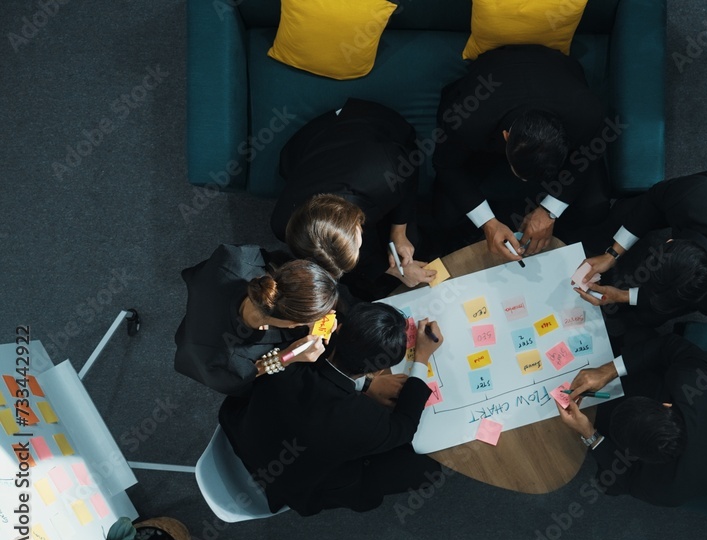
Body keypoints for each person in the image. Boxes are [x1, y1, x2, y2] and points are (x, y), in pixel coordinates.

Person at [219, 303, 444, 516]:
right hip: (286, 485)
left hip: (240, 431)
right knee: (428, 470)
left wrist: (365, 384)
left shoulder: (290, 362)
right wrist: (421, 358)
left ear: (340, 328)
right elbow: (404, 427)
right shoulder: (364, 420)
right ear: (378, 370)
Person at [556, 332, 707, 507]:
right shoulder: (691, 380)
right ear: (666, 405)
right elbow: (669, 346)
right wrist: (609, 370)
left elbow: (625, 479)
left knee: (609, 481)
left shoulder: (666, 488)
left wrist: (590, 434)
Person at [432, 44, 610, 261]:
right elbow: (445, 164)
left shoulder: (588, 115)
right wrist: (488, 222)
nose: (524, 182)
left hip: (555, 69)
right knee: (444, 212)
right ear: (506, 136)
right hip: (493, 77)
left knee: (595, 206)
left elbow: (587, 157)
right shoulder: (467, 120)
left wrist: (550, 211)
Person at [574, 160, 707, 327]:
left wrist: (622, 296)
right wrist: (612, 254)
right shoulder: (693, 197)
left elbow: (678, 301)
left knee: (651, 315)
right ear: (669, 240)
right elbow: (654, 199)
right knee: (632, 210)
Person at [271, 98, 434, 300]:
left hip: (368, 126)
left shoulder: (386, 172)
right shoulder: (282, 224)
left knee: (412, 240)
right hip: (312, 152)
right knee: (360, 275)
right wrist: (392, 270)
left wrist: (398, 232)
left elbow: (410, 169)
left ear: (358, 222)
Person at [174, 244, 337, 397]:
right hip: (203, 350)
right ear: (293, 324)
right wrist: (286, 357)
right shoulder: (229, 360)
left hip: (209, 291)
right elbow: (241, 378)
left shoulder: (236, 258)